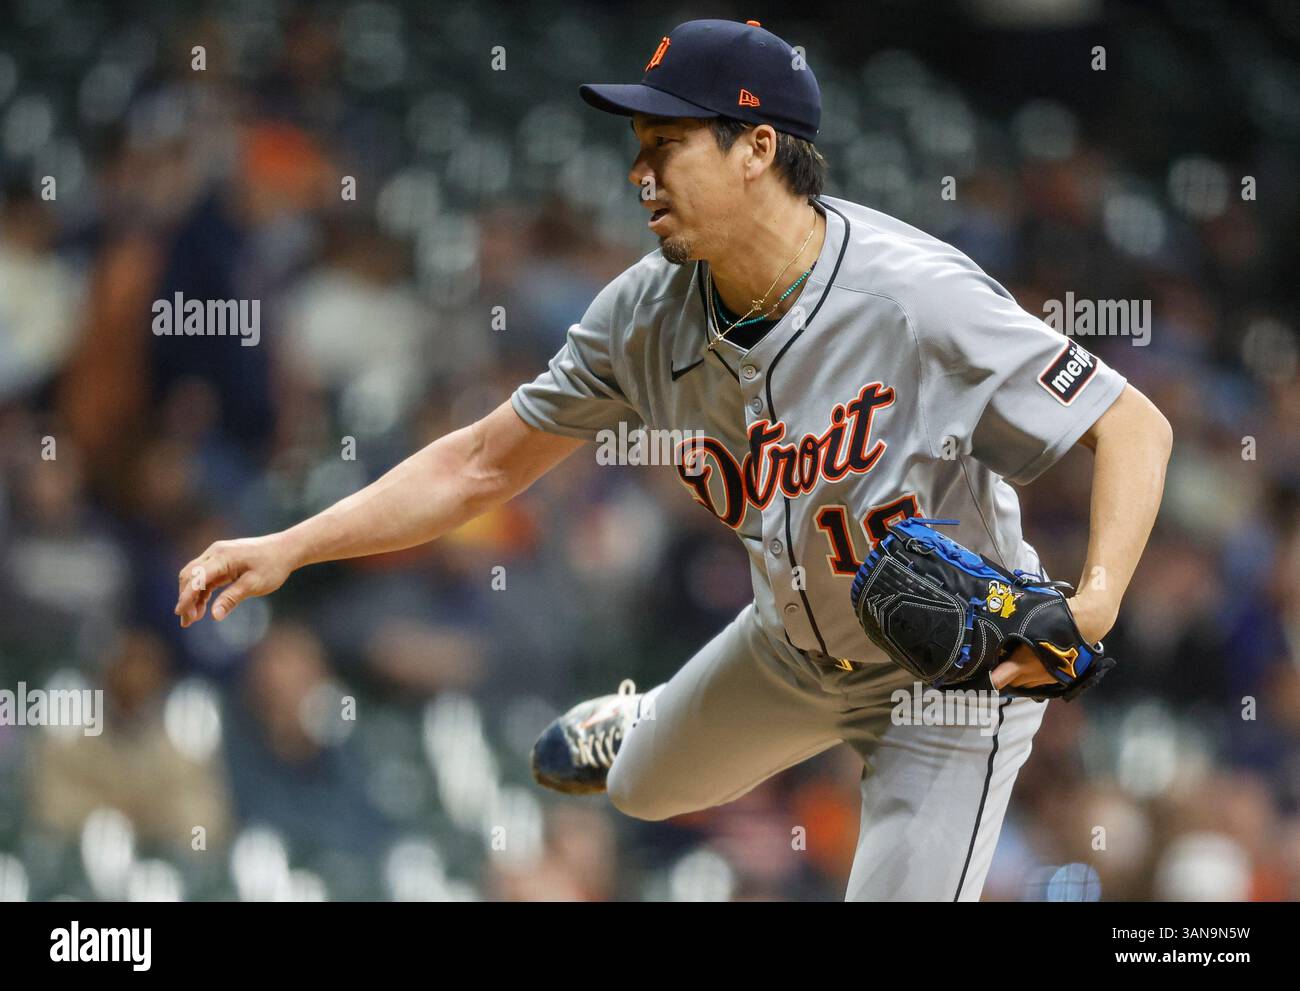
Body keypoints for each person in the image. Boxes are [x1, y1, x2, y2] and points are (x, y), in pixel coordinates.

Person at [175, 19, 1172, 900]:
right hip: (788, 645)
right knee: (642, 785)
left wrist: (1090, 601)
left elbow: (1133, 426)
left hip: (943, 681)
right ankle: (643, 716)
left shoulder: (914, 297)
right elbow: (481, 463)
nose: (638, 171)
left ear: (758, 149)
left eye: (667, 144)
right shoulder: (641, 313)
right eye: (637, 146)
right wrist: (291, 544)